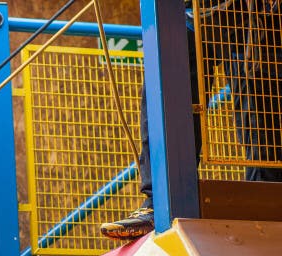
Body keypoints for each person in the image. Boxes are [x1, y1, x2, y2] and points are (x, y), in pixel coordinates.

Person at [101, 0, 282, 240]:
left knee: (261, 98)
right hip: (193, 12)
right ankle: (160, 202)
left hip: (254, 14)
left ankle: (267, 199)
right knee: (169, 71)